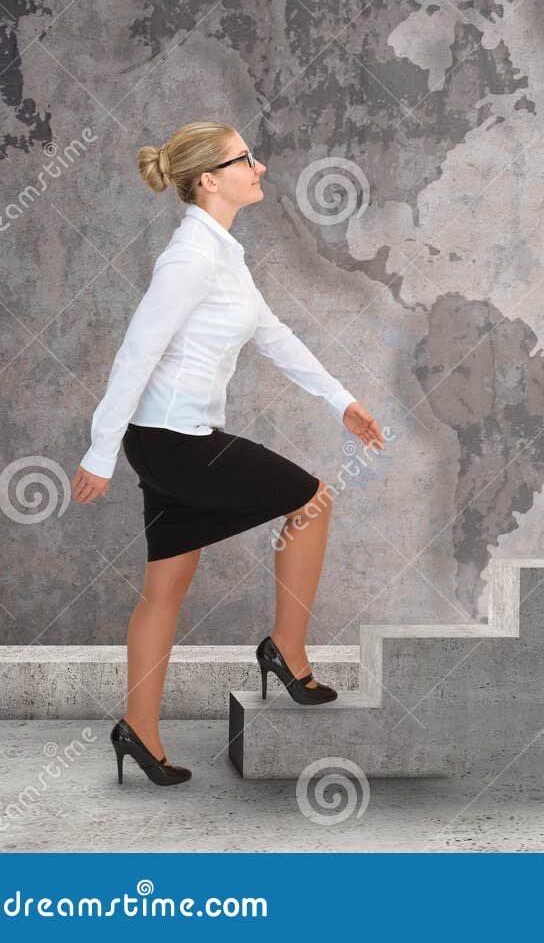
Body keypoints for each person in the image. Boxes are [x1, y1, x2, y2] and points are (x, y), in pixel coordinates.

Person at [70, 121, 386, 786]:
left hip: (168, 439)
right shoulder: (191, 256)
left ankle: (140, 732)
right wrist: (99, 451)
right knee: (312, 498)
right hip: (176, 442)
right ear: (209, 179)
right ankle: (285, 651)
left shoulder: (223, 253)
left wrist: (341, 401)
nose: (261, 167)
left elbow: (273, 334)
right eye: (246, 159)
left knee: (164, 589)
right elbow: (137, 351)